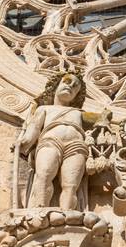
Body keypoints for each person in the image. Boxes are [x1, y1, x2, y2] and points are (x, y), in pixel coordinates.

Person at [18, 71, 90, 209]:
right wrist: (24, 142)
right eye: (67, 82)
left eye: (75, 87)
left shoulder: (79, 113)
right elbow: (34, 128)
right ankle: (40, 209)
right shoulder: (44, 109)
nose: (71, 86)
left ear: (77, 95)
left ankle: (67, 214)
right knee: (44, 175)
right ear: (56, 86)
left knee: (71, 184)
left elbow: (102, 120)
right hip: (50, 142)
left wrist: (105, 117)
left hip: (76, 146)